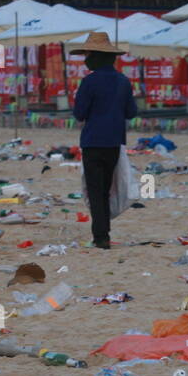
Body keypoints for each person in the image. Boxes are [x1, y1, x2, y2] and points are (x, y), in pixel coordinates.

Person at [72, 31, 137, 250]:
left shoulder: (89, 82)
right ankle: (103, 234)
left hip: (92, 142)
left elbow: (79, 113)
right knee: (106, 190)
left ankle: (101, 237)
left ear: (97, 56)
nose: (86, 58)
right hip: (114, 143)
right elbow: (131, 112)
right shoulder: (123, 82)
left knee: (95, 190)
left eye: (88, 54)